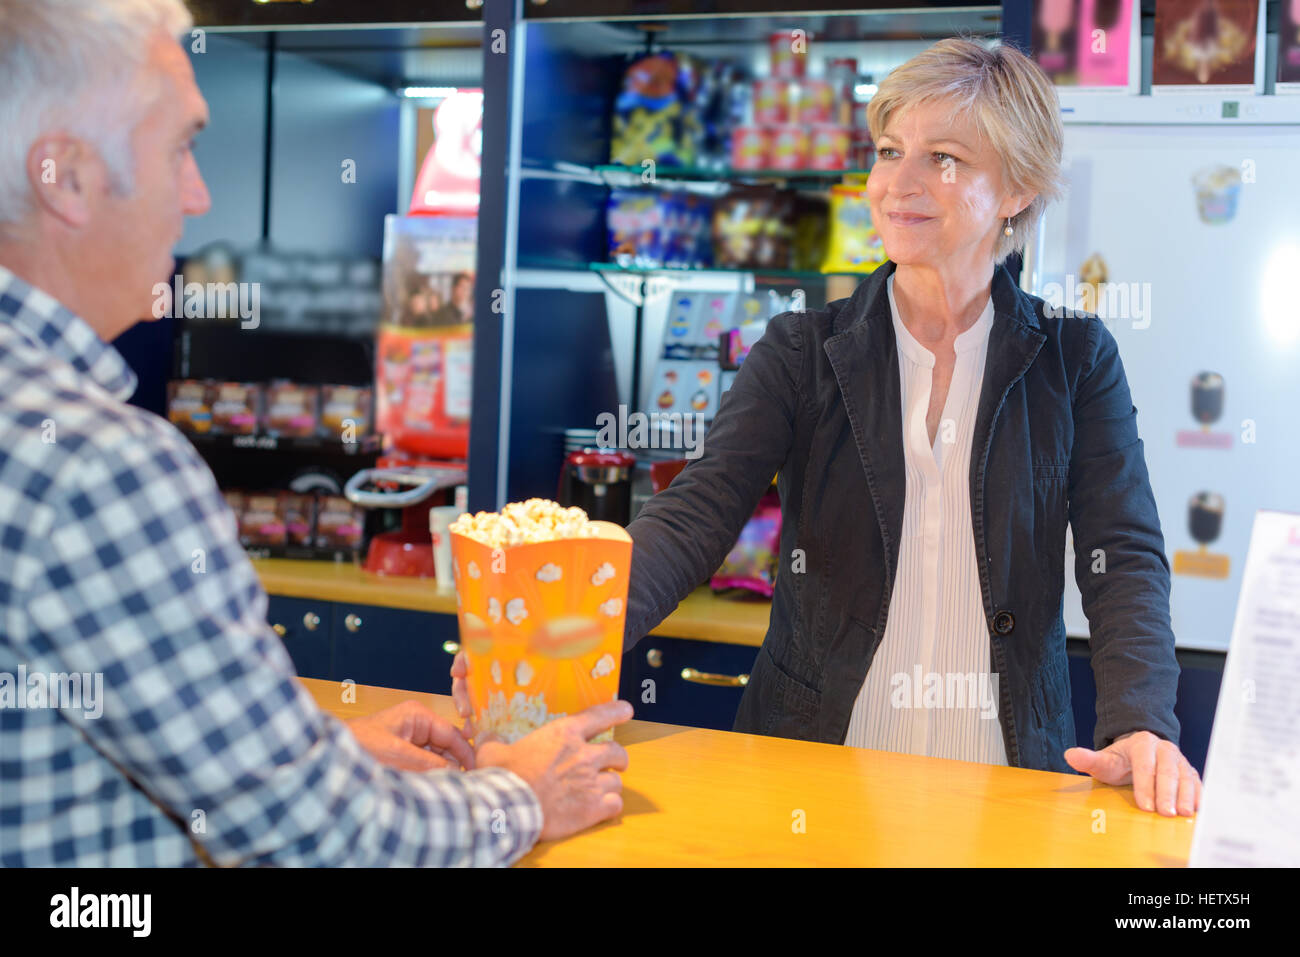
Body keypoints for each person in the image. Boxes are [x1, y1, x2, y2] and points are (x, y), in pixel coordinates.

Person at [463, 37, 1202, 819]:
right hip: (812, 769)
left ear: (1016, 187)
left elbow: (1121, 554)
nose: (896, 183)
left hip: (1007, 778)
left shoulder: (1074, 359)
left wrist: (1143, 722)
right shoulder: (801, 352)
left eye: (941, 157)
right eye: (889, 150)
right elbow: (694, 516)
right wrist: (551, 647)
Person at [0, 0, 630, 867]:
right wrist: (522, 795)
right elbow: (317, 839)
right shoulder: (100, 466)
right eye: (179, 146)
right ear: (62, 176)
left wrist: (307, 757)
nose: (200, 195)